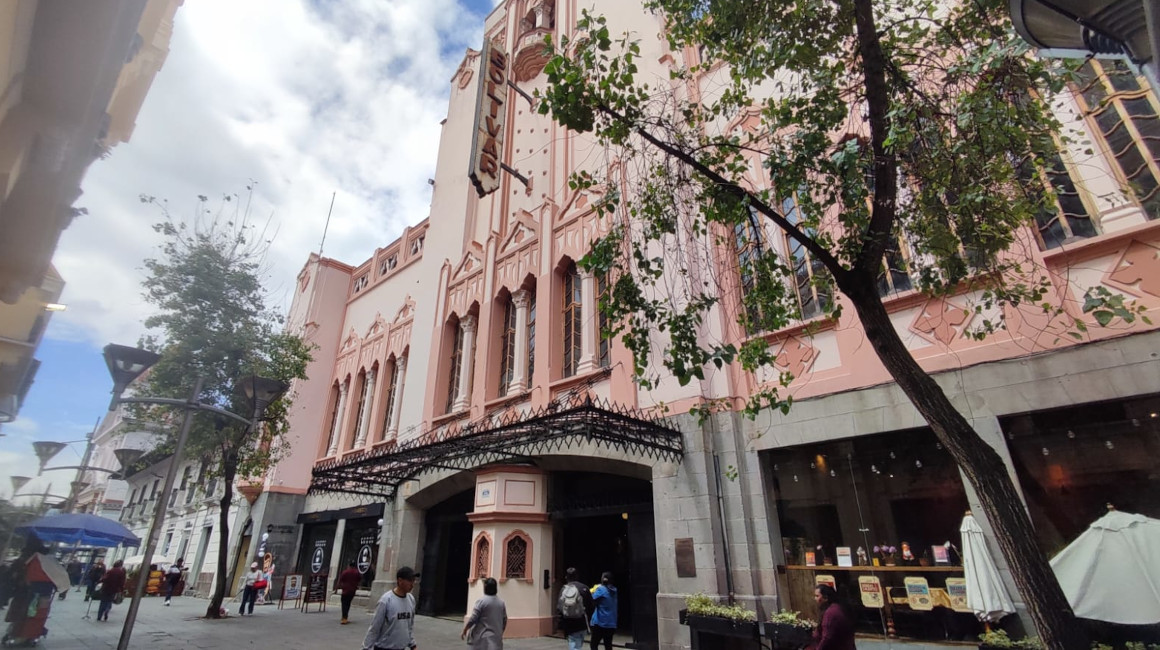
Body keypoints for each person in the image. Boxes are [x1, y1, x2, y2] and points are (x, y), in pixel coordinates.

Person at [363, 566, 419, 650]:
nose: (412, 584)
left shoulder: (411, 599)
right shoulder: (386, 600)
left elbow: (408, 626)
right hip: (384, 647)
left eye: (414, 581)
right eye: (410, 581)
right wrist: (366, 648)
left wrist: (412, 644)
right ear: (400, 581)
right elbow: (375, 628)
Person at [461, 577, 507, 649]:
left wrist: (465, 629)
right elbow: (504, 620)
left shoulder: (481, 602)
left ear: (485, 588)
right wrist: (499, 632)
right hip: (496, 640)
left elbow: (473, 618)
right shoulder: (501, 603)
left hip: (481, 639)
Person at [558, 568, 593, 650]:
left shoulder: (564, 589)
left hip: (569, 623)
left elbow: (559, 608)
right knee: (578, 644)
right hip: (582, 622)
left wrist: (560, 625)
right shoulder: (584, 588)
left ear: (566, 577)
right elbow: (591, 606)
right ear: (577, 576)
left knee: (574, 644)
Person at [812, 584, 856, 650]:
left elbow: (827, 638)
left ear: (825, 598)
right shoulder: (837, 608)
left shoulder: (830, 614)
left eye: (817, 596)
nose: (815, 599)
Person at [589, 571, 617, 650]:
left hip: (600, 623)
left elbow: (592, 600)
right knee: (608, 645)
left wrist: (594, 590)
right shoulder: (615, 590)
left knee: (594, 644)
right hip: (611, 622)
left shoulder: (601, 590)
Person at [337, 560, 362, 624]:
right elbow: (359, 579)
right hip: (352, 591)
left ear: (349, 565)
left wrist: (338, 587)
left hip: (345, 590)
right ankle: (345, 617)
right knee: (348, 604)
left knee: (344, 604)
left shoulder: (345, 572)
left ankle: (344, 618)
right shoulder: (357, 572)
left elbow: (341, 579)